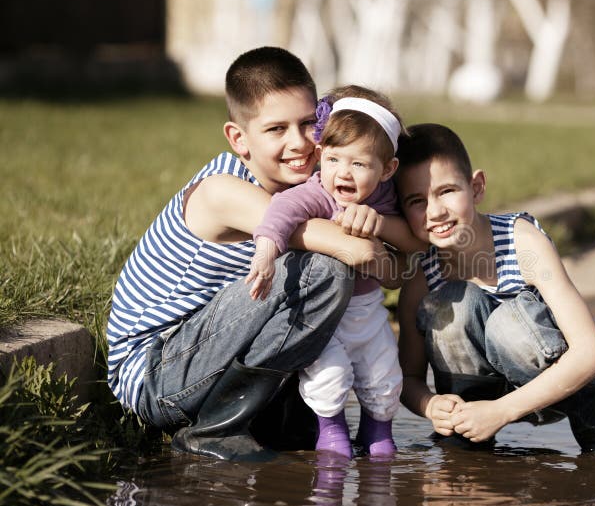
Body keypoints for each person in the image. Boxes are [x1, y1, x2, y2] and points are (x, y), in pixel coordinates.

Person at [106, 47, 393, 461]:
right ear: (239, 138)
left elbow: (392, 266)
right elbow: (354, 250)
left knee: (319, 278)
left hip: (207, 359)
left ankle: (283, 417)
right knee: (323, 271)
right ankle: (215, 431)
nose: (299, 142)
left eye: (309, 124)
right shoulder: (221, 191)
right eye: (276, 129)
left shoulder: (311, 185)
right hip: (158, 376)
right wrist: (368, 231)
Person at [393, 123, 595, 462]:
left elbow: (590, 352)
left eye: (447, 191)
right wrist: (431, 405)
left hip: (552, 385)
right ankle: (465, 434)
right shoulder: (421, 279)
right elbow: (407, 377)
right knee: (450, 305)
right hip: (474, 407)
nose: (435, 211)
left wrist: (502, 411)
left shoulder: (522, 243)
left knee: (505, 324)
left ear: (476, 187)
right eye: (416, 201)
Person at [248, 85, 421, 458]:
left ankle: (378, 433)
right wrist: (265, 252)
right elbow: (281, 211)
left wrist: (379, 223)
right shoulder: (317, 194)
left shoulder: (383, 199)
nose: (344, 173)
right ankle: (332, 432)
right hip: (322, 317)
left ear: (386, 169)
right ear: (321, 155)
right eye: (334, 160)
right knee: (329, 375)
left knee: (384, 374)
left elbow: (408, 244)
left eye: (359, 164)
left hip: (369, 309)